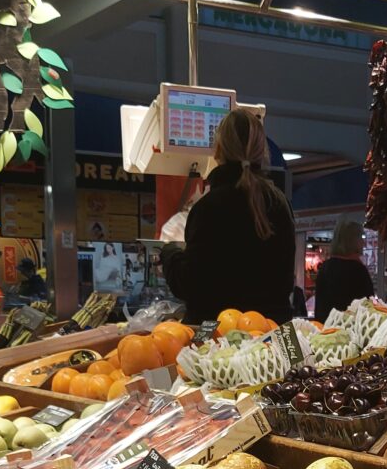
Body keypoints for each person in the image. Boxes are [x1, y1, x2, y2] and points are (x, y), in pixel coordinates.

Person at [161, 107, 296, 325]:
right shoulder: (280, 203)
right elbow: (286, 281)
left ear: (218, 151)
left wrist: (169, 251)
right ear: (262, 151)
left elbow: (190, 285)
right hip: (277, 332)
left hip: (216, 334)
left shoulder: (208, 207)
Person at [313, 221, 375, 320]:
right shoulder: (358, 270)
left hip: (326, 330)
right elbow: (369, 305)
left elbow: (320, 307)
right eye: (360, 238)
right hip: (351, 330)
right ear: (352, 241)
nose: (363, 243)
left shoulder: (325, 267)